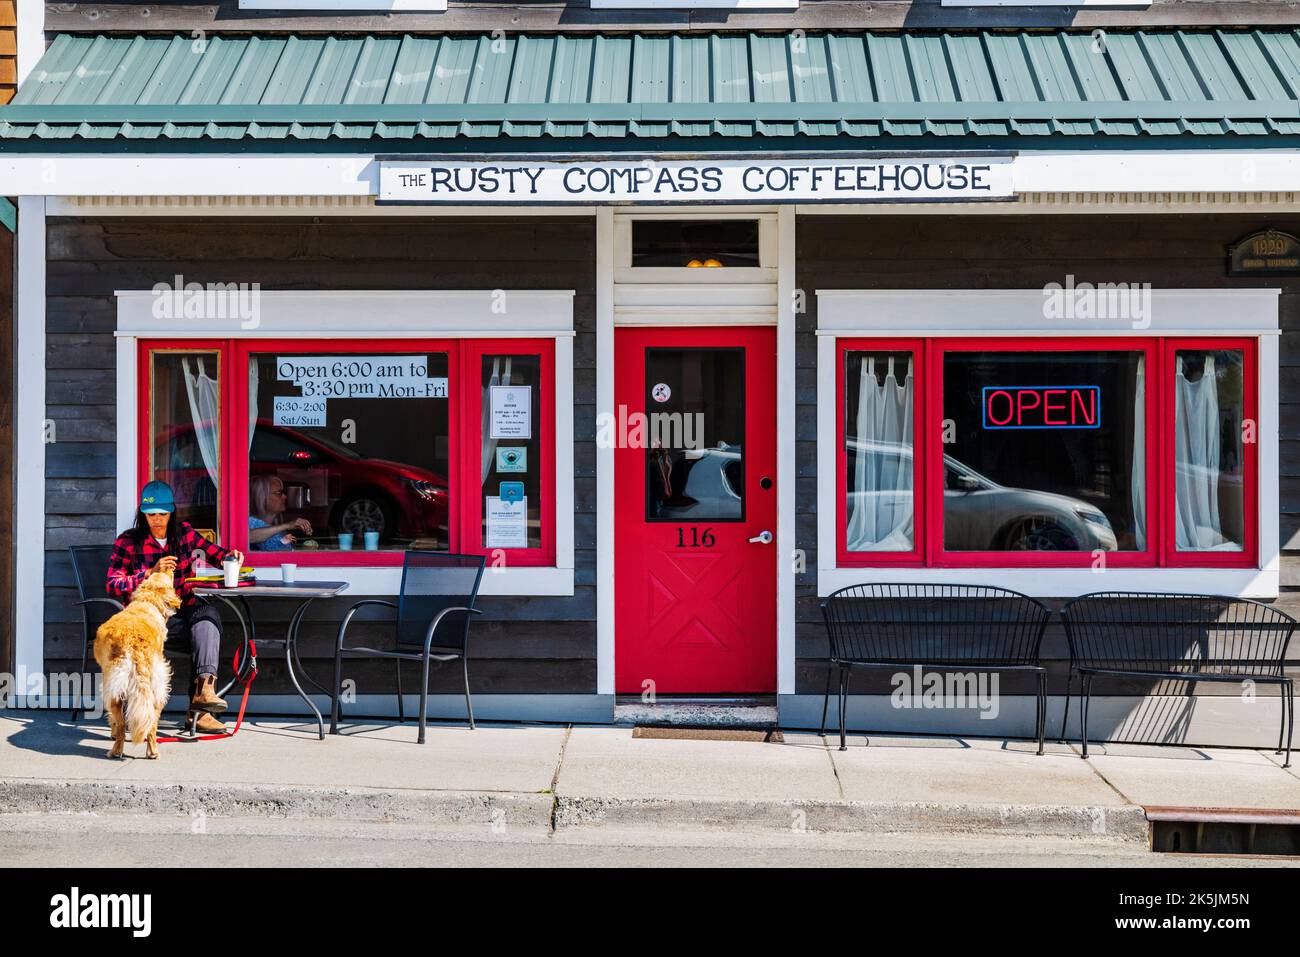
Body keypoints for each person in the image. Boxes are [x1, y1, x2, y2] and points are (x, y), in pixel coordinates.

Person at [106, 480, 245, 734]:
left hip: (182, 609)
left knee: (207, 617)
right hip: (148, 617)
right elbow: (113, 584)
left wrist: (231, 557)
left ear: (171, 512)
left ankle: (203, 698)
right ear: (142, 514)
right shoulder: (128, 541)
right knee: (197, 631)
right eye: (151, 515)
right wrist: (149, 572)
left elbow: (216, 554)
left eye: (162, 514)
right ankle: (146, 712)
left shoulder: (184, 533)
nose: (157, 519)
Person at [248, 475, 313, 551]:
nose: (285, 497)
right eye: (279, 493)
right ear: (261, 497)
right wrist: (288, 525)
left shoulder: (275, 527)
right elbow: (248, 537)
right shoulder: (251, 522)